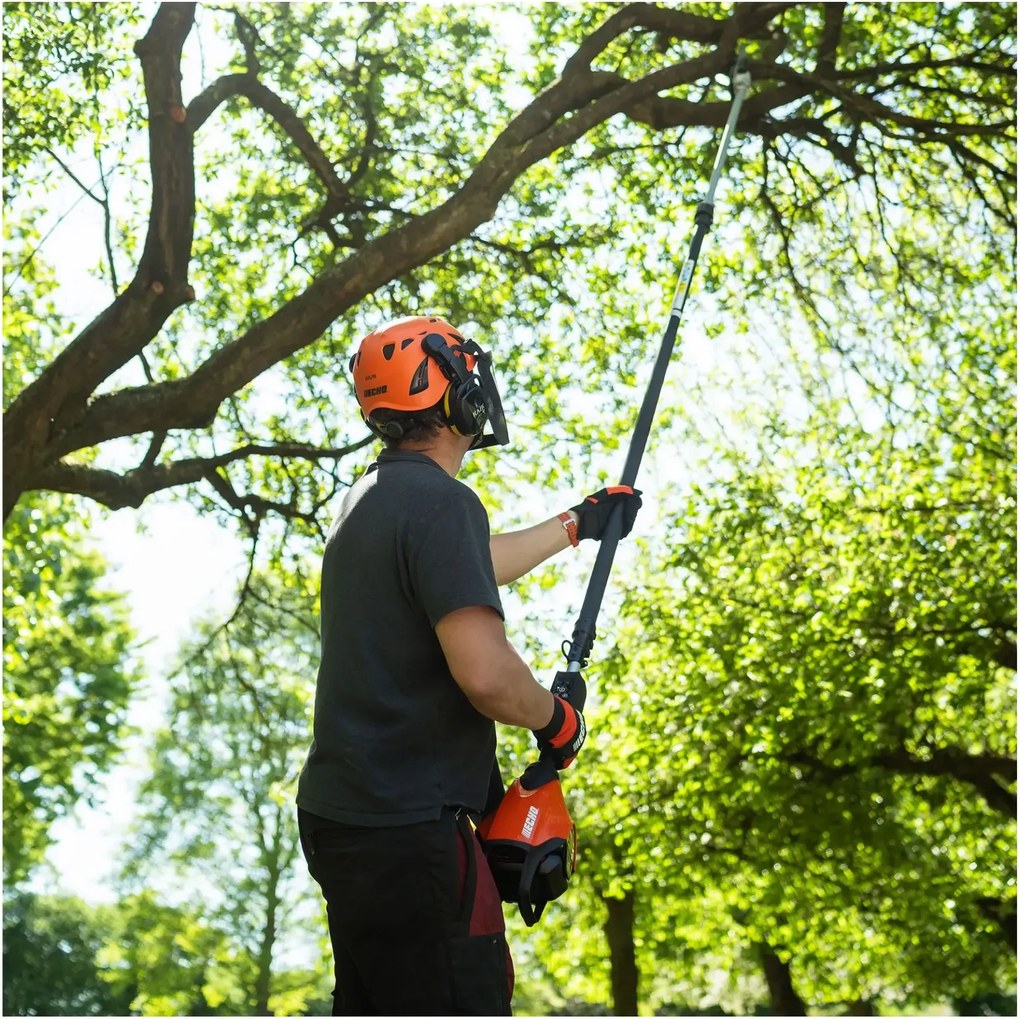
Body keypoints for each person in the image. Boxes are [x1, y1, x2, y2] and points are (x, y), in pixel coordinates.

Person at [296, 315, 642, 1016]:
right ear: (451, 393)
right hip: (414, 826)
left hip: (345, 821)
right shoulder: (441, 502)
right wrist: (557, 720)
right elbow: (485, 673)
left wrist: (576, 524)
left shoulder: (369, 502)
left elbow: (465, 568)